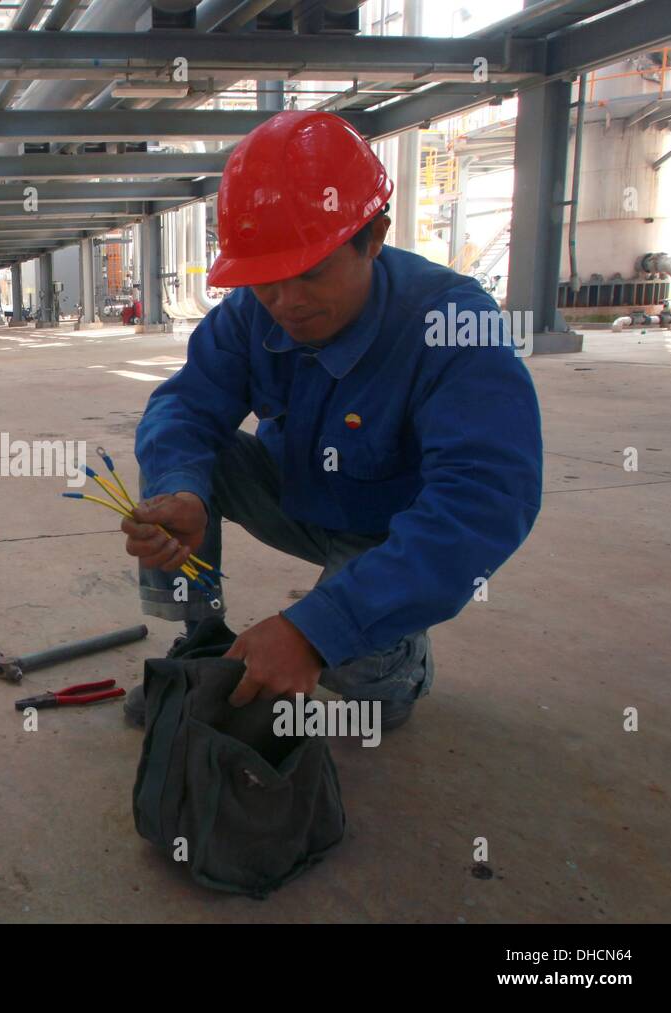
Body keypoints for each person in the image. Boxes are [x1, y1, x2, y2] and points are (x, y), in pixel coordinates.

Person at [120, 111, 542, 731]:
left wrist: (317, 630)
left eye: (311, 273)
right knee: (182, 462)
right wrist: (182, 490)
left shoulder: (452, 325)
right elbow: (184, 406)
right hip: (300, 494)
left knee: (356, 668)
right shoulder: (249, 312)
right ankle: (202, 637)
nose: (286, 303)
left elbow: (484, 500)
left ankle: (399, 671)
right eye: (266, 282)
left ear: (373, 238)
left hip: (390, 529)